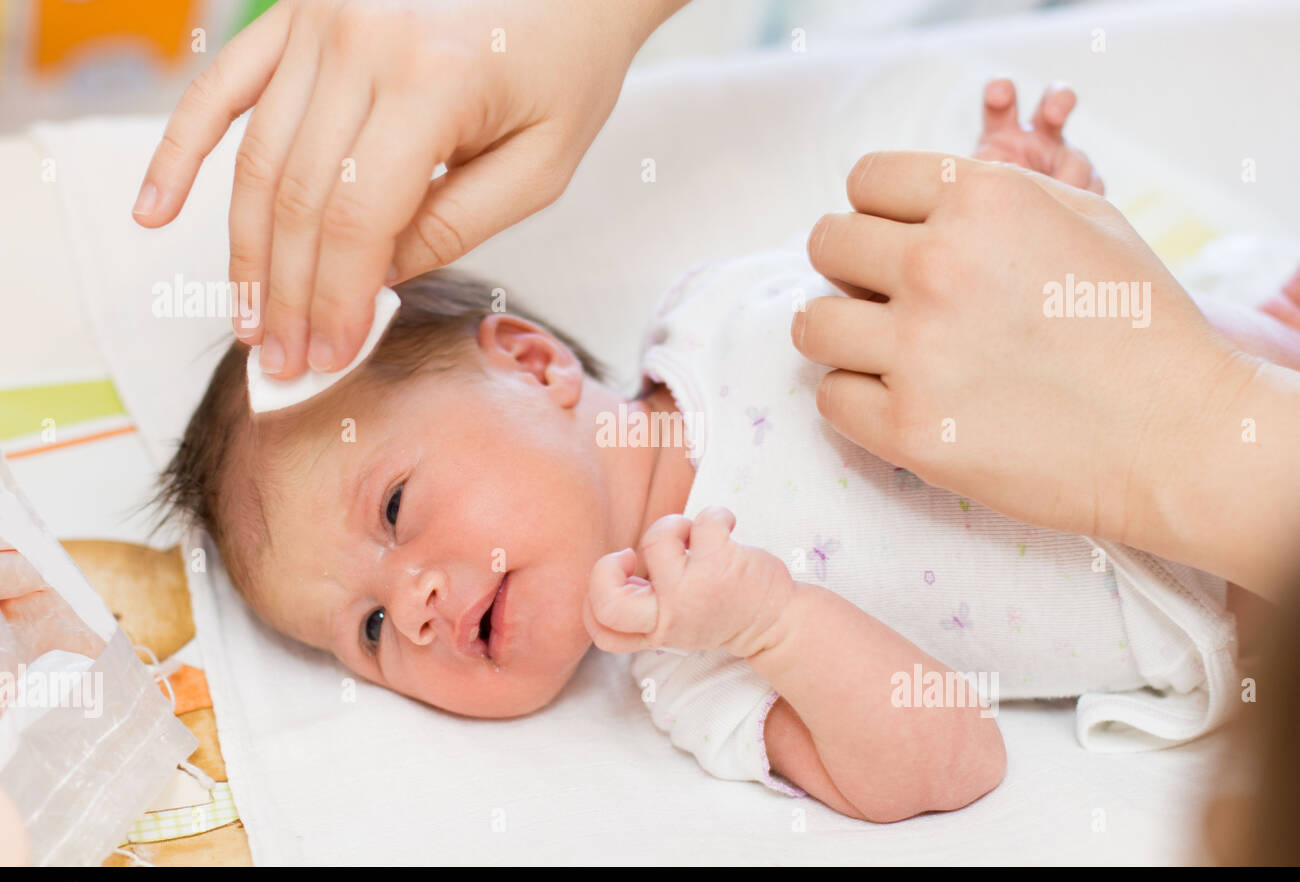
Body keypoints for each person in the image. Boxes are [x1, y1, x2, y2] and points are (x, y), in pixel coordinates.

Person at [134, 0, 1300, 591]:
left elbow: (959, 296)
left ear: (535, 365)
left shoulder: (721, 325)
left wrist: (1019, 207)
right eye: (370, 629)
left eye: (395, 510)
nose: (416, 601)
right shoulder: (683, 659)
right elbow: (936, 763)